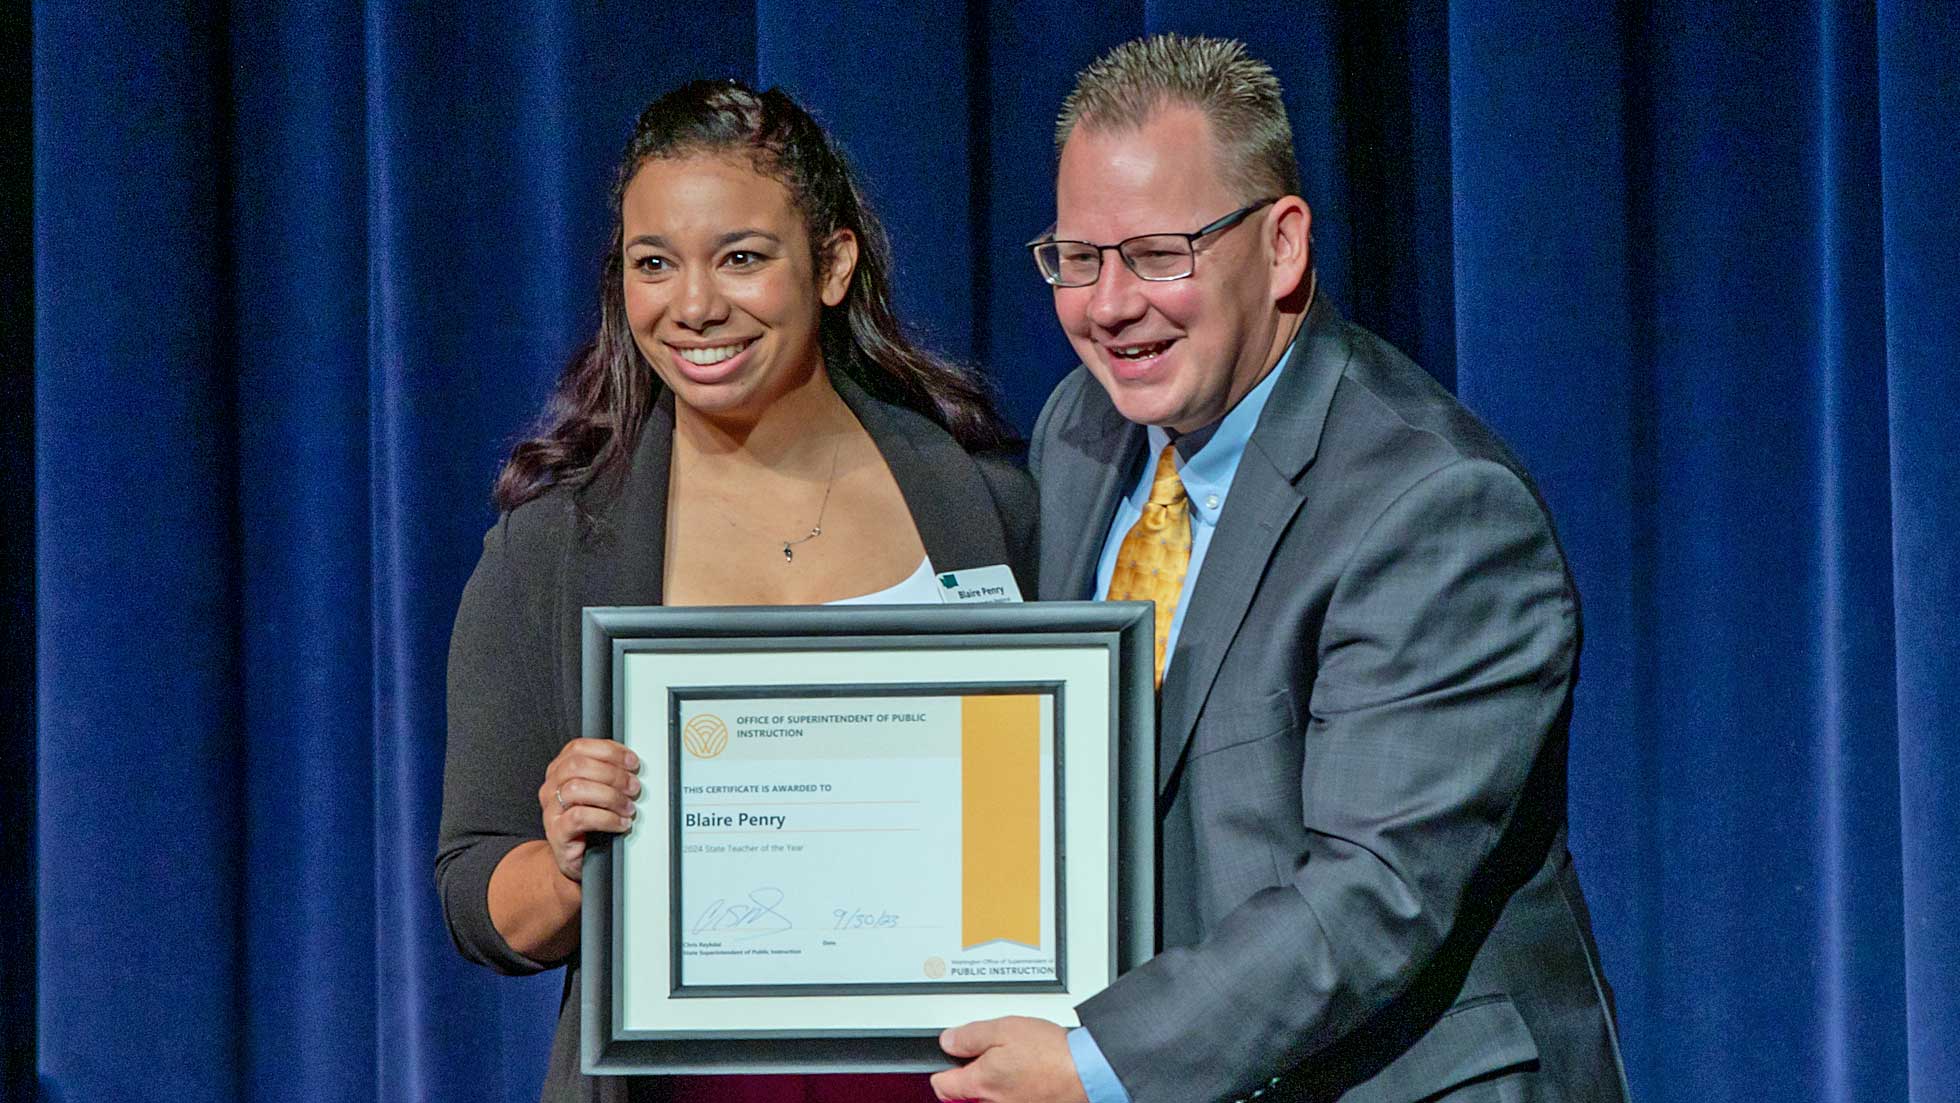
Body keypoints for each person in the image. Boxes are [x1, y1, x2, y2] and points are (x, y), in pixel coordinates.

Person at [933, 35, 1630, 1103]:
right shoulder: (1083, 432)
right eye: (1078, 256)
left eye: (1158, 252)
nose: (1110, 304)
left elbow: (1372, 890)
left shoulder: (1435, 508)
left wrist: (1097, 1060)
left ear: (1284, 245)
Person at [436, 79, 1034, 1103]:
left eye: (742, 258)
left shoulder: (988, 506)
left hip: (955, 1079)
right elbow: (475, 898)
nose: (695, 304)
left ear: (834, 263)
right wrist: (570, 863)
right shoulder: (553, 548)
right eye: (653, 263)